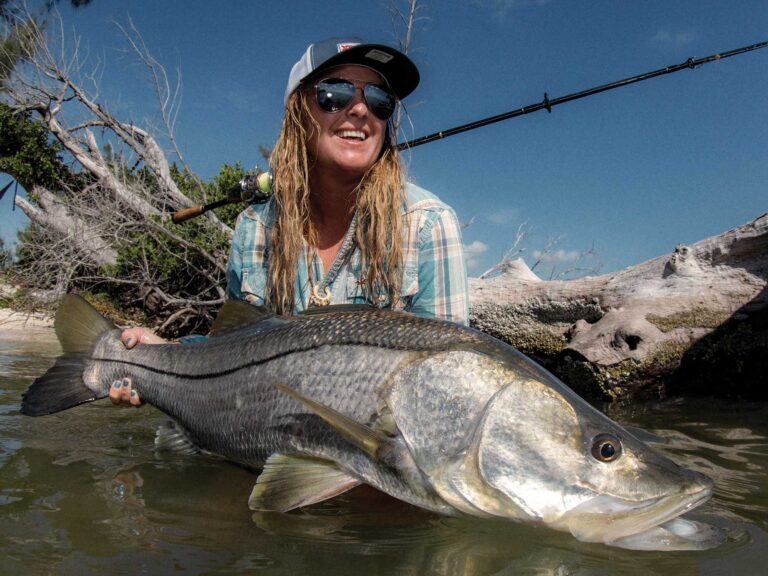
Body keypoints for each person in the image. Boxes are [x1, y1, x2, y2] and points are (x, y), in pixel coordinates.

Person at [111, 37, 469, 406]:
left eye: (380, 100)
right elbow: (233, 352)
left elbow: (448, 383)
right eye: (336, 93)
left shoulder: (429, 224)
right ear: (299, 111)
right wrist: (166, 352)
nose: (361, 109)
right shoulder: (254, 227)